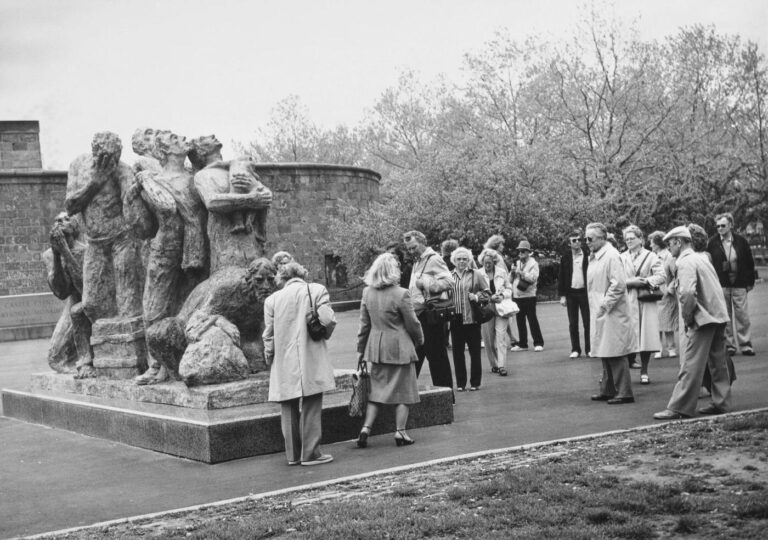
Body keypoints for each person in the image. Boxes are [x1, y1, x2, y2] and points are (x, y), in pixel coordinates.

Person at [263, 262, 337, 466]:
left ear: (282, 278)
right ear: (302, 274)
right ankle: (311, 453)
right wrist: (324, 335)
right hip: (310, 352)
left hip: (283, 357)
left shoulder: (272, 300)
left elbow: (268, 335)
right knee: (312, 401)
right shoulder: (316, 290)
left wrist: (269, 357)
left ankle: (292, 455)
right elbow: (328, 320)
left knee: (287, 404)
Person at [654, 226, 732, 419]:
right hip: (718, 316)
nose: (669, 248)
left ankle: (679, 407)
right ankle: (721, 402)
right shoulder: (701, 258)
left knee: (690, 363)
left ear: (678, 242)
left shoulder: (685, 262)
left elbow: (688, 293)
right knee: (718, 363)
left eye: (670, 243)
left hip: (703, 319)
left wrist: (688, 318)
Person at [355, 253, 424, 448]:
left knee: (376, 392)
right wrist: (419, 340)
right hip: (400, 348)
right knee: (404, 392)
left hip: (377, 348)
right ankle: (400, 432)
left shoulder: (367, 293)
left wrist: (360, 351)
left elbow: (364, 326)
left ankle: (365, 429)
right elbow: (413, 323)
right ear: (393, 271)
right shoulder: (401, 293)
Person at [586, 222, 637, 405]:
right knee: (605, 350)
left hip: (611, 310)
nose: (587, 242)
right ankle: (608, 388)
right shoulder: (596, 256)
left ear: (601, 238)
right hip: (601, 309)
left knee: (616, 351)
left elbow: (618, 284)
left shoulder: (611, 256)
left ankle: (624, 391)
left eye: (589, 238)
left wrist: (604, 305)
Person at [403, 230, 454, 392]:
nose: (411, 251)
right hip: (418, 314)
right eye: (409, 249)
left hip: (429, 314)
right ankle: (407, 394)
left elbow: (448, 281)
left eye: (414, 247)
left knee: (436, 356)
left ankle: (446, 394)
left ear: (423, 242)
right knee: (417, 355)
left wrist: (426, 283)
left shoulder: (434, 259)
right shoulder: (418, 260)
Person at [706, 212, 756, 356]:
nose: (720, 228)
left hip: (740, 283)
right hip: (722, 284)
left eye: (723, 225)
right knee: (725, 316)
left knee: (742, 315)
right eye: (718, 226)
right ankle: (729, 346)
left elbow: (749, 263)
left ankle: (745, 344)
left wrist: (750, 282)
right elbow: (709, 263)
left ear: (731, 226)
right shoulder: (713, 243)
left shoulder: (741, 241)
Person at [621, 225, 665, 385]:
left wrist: (645, 281)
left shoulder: (651, 256)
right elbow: (616, 278)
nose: (629, 241)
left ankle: (644, 370)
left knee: (646, 335)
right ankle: (623, 372)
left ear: (641, 239)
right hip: (627, 298)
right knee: (626, 335)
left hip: (645, 298)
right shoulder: (621, 257)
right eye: (626, 239)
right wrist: (629, 282)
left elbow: (662, 276)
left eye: (632, 238)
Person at [449, 247, 489, 391]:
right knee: (457, 353)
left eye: (465, 259)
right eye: (459, 259)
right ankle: (460, 384)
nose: (462, 261)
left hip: (472, 318)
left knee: (475, 352)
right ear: (454, 260)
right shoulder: (449, 275)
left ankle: (475, 383)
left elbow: (488, 293)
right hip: (455, 319)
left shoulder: (476, 274)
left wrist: (477, 297)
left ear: (469, 260)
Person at [478, 249, 513, 376]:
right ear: (482, 262)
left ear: (494, 262)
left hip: (501, 306)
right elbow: (476, 292)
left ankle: (502, 365)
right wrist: (487, 298)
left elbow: (509, 288)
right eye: (485, 262)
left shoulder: (502, 272)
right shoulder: (478, 274)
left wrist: (503, 295)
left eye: (490, 262)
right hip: (486, 308)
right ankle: (494, 364)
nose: (487, 265)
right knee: (488, 338)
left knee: (501, 336)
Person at [558, 229, 590, 359]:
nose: (577, 242)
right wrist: (562, 295)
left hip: (585, 293)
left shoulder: (587, 254)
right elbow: (561, 277)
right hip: (571, 293)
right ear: (569, 244)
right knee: (573, 323)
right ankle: (575, 349)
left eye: (579, 240)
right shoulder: (565, 257)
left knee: (588, 322)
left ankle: (589, 349)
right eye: (574, 240)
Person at [648, 231, 678, 359]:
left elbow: (676, 275)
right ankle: (658, 348)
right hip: (654, 293)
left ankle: (671, 347)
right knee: (656, 322)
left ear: (658, 243)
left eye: (652, 242)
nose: (650, 245)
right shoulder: (651, 256)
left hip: (666, 294)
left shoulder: (669, 256)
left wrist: (669, 289)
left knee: (667, 321)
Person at [510, 240, 544, 352]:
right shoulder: (517, 263)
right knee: (520, 321)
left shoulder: (534, 264)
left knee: (532, 319)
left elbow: (533, 278)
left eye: (523, 251)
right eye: (519, 251)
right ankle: (523, 344)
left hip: (529, 295)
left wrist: (521, 273)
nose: (520, 254)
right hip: (517, 295)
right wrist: (512, 272)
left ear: (528, 252)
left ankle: (538, 342)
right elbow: (510, 280)